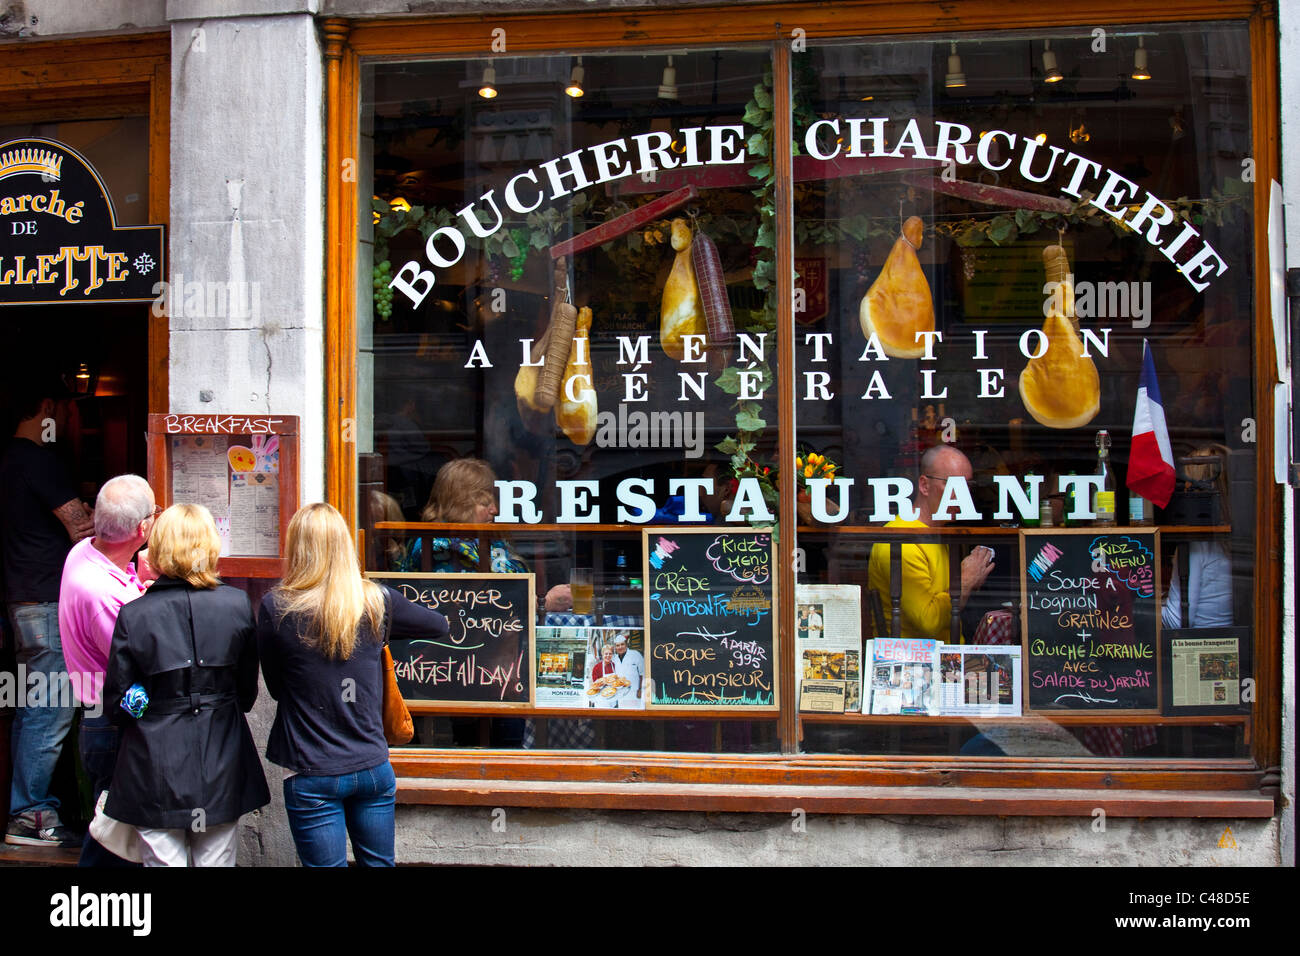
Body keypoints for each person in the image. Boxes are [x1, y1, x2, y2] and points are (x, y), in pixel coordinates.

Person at [258, 503, 449, 867]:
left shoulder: (276, 606)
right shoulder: (376, 601)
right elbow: (438, 625)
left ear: (297, 548)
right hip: (371, 767)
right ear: (345, 546)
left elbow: (277, 687)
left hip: (311, 769)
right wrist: (381, 634)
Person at [103, 504, 269, 866]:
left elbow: (119, 704)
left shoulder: (135, 614)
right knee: (216, 861)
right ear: (209, 546)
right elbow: (246, 694)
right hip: (221, 753)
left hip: (153, 759)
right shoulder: (237, 604)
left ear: (160, 549)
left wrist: (149, 697)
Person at [2, 375, 94, 848]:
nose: (68, 415)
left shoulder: (8, 460)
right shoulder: (39, 461)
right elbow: (82, 530)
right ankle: (30, 813)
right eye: (63, 406)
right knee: (51, 708)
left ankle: (26, 805)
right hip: (47, 600)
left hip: (21, 599)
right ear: (44, 407)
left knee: (32, 707)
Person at [58, 475, 158, 866]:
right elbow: (141, 660)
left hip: (104, 717)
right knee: (111, 842)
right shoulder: (103, 596)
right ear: (142, 529)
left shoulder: (85, 550)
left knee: (114, 834)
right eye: (154, 514)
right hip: (113, 722)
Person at [868, 445, 994, 642]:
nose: (963, 495)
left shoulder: (936, 533)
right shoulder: (902, 538)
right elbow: (929, 623)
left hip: (946, 664)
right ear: (925, 485)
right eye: (953, 486)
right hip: (913, 667)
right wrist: (966, 580)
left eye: (967, 486)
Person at [414, 457, 527, 573]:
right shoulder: (436, 546)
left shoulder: (492, 539)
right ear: (459, 505)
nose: (495, 510)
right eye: (485, 503)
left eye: (495, 501)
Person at [611, 632, 644, 706]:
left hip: (634, 692)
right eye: (617, 645)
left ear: (626, 644)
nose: (620, 647)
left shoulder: (636, 654)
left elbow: (643, 673)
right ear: (615, 648)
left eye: (622, 644)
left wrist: (641, 689)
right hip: (620, 693)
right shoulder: (614, 659)